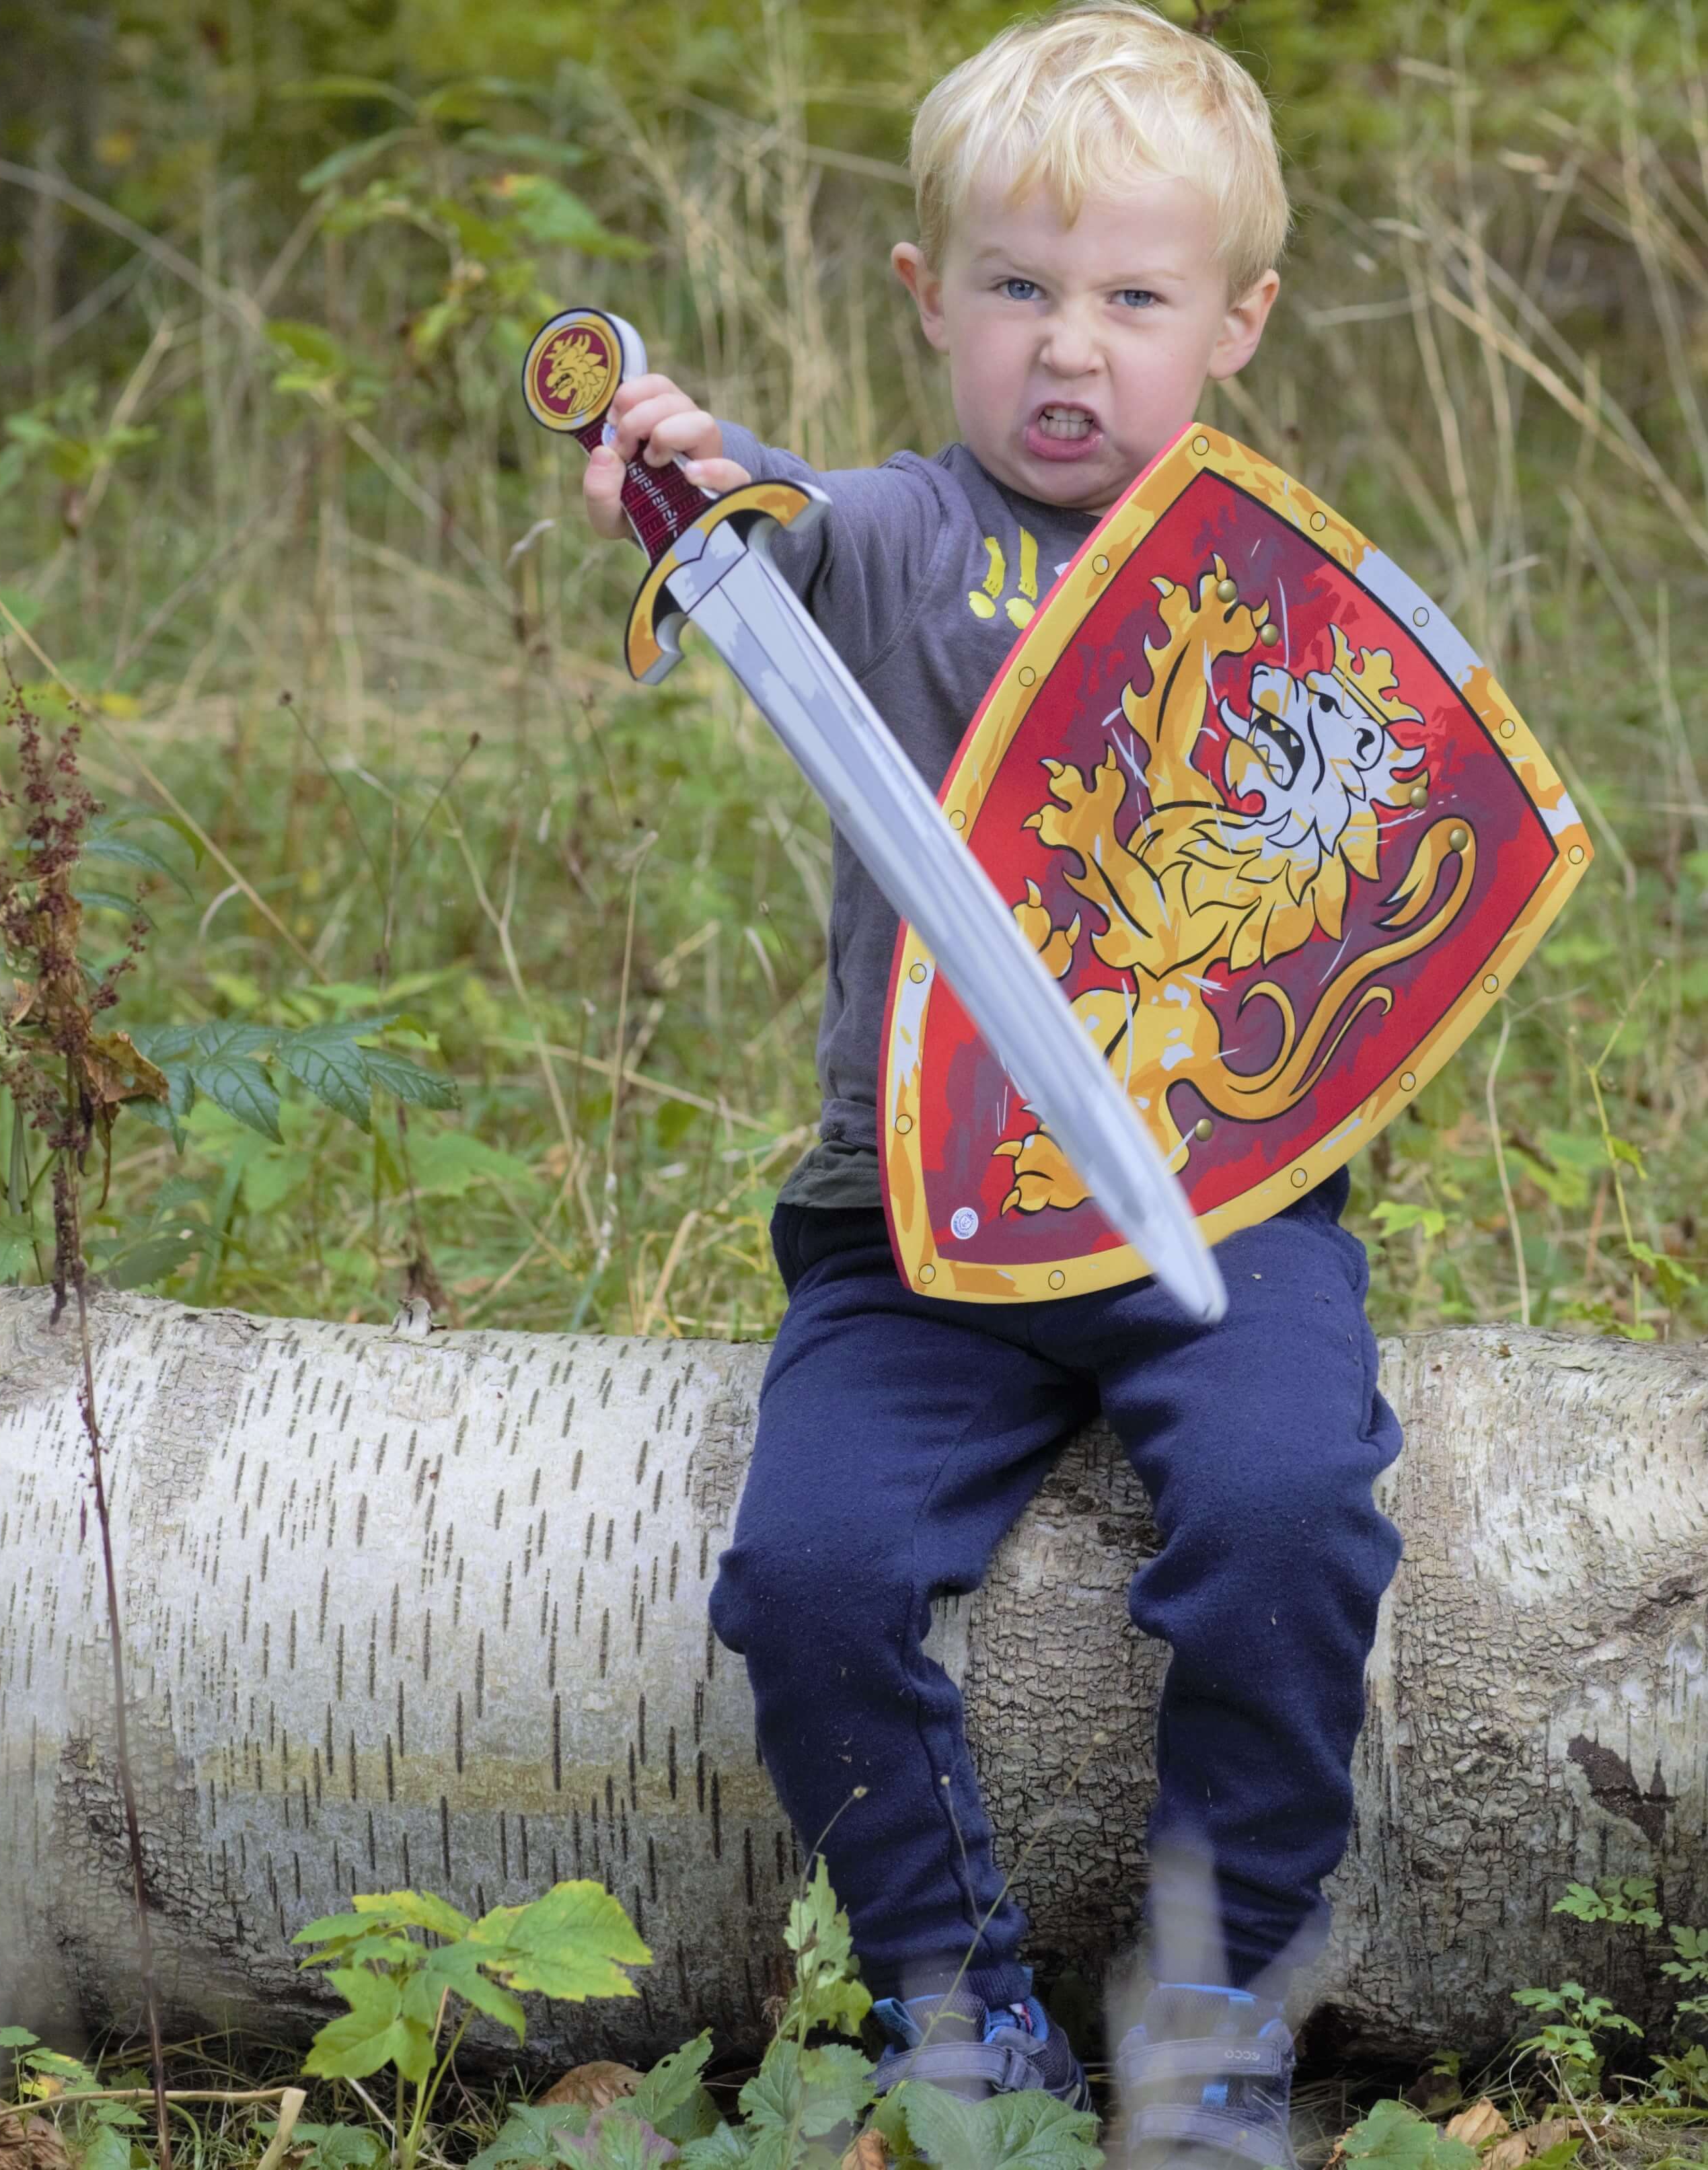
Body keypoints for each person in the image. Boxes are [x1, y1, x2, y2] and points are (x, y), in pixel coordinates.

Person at [580, 5, 1404, 2164]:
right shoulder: (873, 540)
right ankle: (959, 2006)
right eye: (1017, 289)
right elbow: (753, 510)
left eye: (1132, 297)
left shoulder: (1275, 594)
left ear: (1234, 322)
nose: (1069, 348)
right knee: (807, 1577)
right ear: (923, 299)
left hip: (1200, 1197)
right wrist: (670, 456)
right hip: (909, 1220)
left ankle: (1215, 1996)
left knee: (1291, 1507)